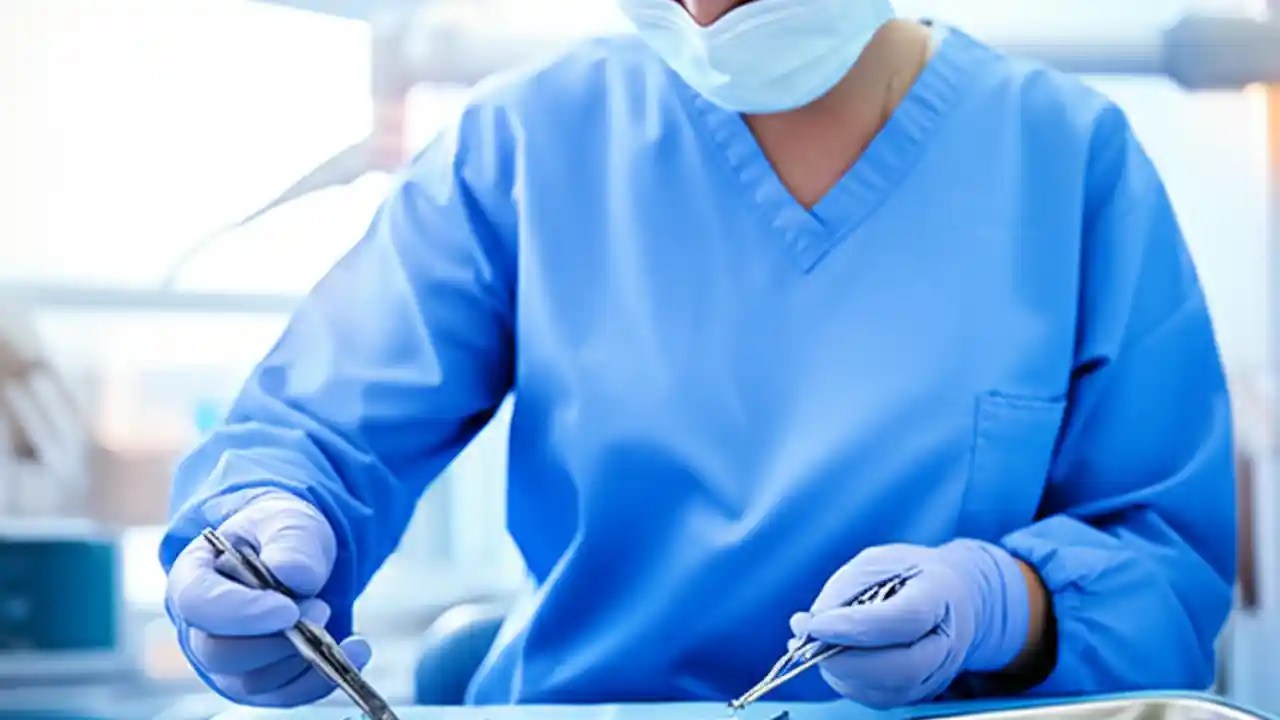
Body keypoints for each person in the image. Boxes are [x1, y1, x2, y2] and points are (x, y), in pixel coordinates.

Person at [160, 0, 1236, 710]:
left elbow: (1164, 577)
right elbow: (318, 427)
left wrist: (1002, 605)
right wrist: (260, 527)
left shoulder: (1060, 159)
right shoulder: (532, 143)